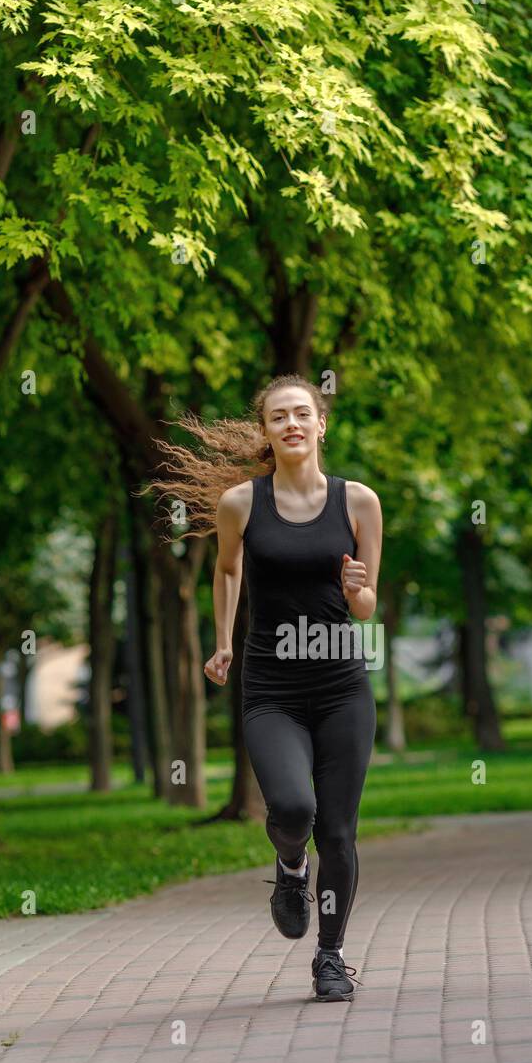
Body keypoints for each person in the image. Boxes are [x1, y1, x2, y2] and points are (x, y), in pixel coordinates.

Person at [153, 374, 382, 1001]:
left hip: (340, 684)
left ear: (321, 424)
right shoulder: (242, 504)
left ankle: (330, 956)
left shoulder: (359, 502)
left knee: (338, 831)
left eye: (302, 413)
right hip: (272, 685)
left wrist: (358, 588)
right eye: (279, 416)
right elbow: (228, 570)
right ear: (266, 431)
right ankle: (289, 866)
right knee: (293, 809)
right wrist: (223, 641)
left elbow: (365, 607)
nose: (292, 424)